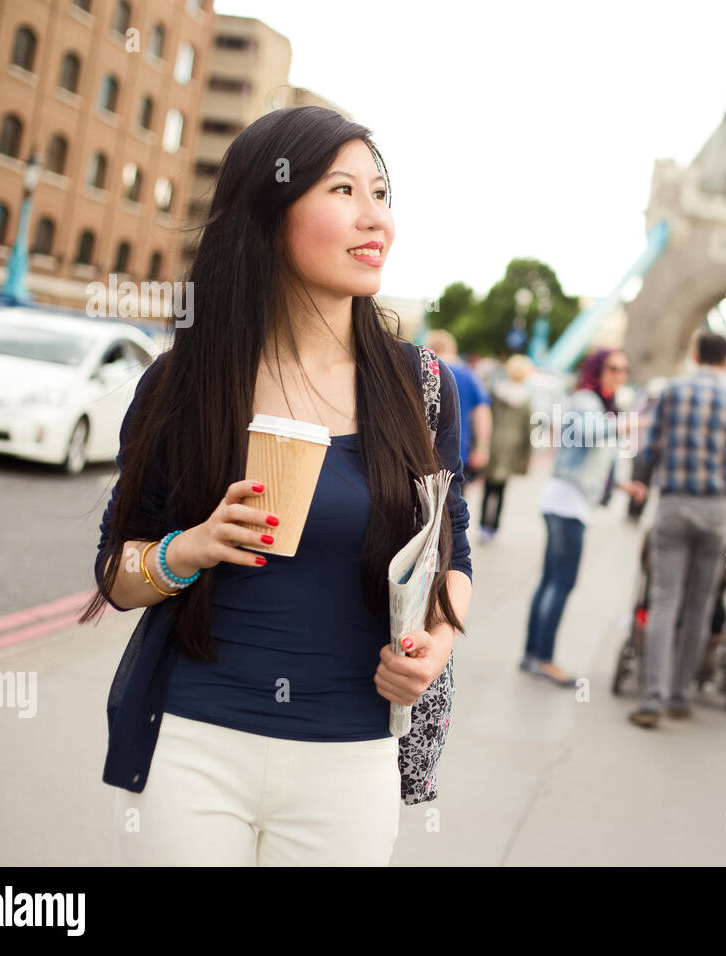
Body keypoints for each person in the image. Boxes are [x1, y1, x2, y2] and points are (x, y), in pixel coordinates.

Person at [80, 106, 473, 866]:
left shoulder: (421, 387)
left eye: (383, 194)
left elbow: (451, 556)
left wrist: (434, 648)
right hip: (194, 741)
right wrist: (185, 551)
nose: (375, 219)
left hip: (351, 751)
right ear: (270, 212)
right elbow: (114, 575)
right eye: (343, 191)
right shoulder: (184, 384)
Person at [629, 332, 726, 727]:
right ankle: (680, 696)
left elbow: (648, 448)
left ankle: (651, 700)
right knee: (699, 605)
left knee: (664, 600)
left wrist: (642, 487)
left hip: (673, 504)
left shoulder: (671, 391)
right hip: (716, 511)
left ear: (695, 354)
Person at [523, 347, 646, 686]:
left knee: (551, 580)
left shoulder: (599, 405)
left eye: (624, 369)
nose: (620, 375)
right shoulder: (585, 401)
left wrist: (622, 486)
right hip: (567, 503)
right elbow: (588, 432)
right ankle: (543, 659)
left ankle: (531, 655)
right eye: (613, 368)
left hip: (568, 500)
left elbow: (590, 458)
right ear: (596, 370)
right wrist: (632, 422)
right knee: (561, 582)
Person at [479, 354, 534, 542]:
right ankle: (494, 527)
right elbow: (529, 430)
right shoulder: (526, 400)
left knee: (487, 489)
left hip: (493, 444)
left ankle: (482, 524)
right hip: (513, 448)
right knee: (502, 490)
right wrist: (525, 458)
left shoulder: (496, 392)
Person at [427, 330, 491, 485]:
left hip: (426, 451)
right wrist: (482, 447)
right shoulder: (468, 374)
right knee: (455, 502)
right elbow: (482, 413)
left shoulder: (425, 371)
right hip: (458, 451)